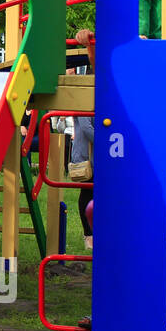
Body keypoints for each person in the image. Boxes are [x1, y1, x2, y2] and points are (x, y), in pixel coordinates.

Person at [69, 28, 95, 251]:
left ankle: (97, 232)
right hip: (86, 153)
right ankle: (88, 235)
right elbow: (86, 128)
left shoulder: (97, 92)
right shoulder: (84, 93)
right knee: (87, 191)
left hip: (98, 154)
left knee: (97, 191)